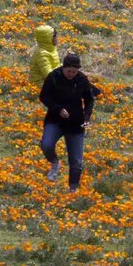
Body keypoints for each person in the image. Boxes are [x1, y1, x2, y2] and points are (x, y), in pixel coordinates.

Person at [39, 54, 95, 192]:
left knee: (76, 162)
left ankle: (72, 190)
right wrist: (58, 109)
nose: (71, 74)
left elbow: (89, 100)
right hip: (55, 120)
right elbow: (44, 96)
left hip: (76, 124)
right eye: (69, 71)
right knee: (46, 144)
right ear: (63, 68)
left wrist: (86, 117)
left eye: (74, 72)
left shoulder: (82, 79)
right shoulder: (54, 77)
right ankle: (54, 162)